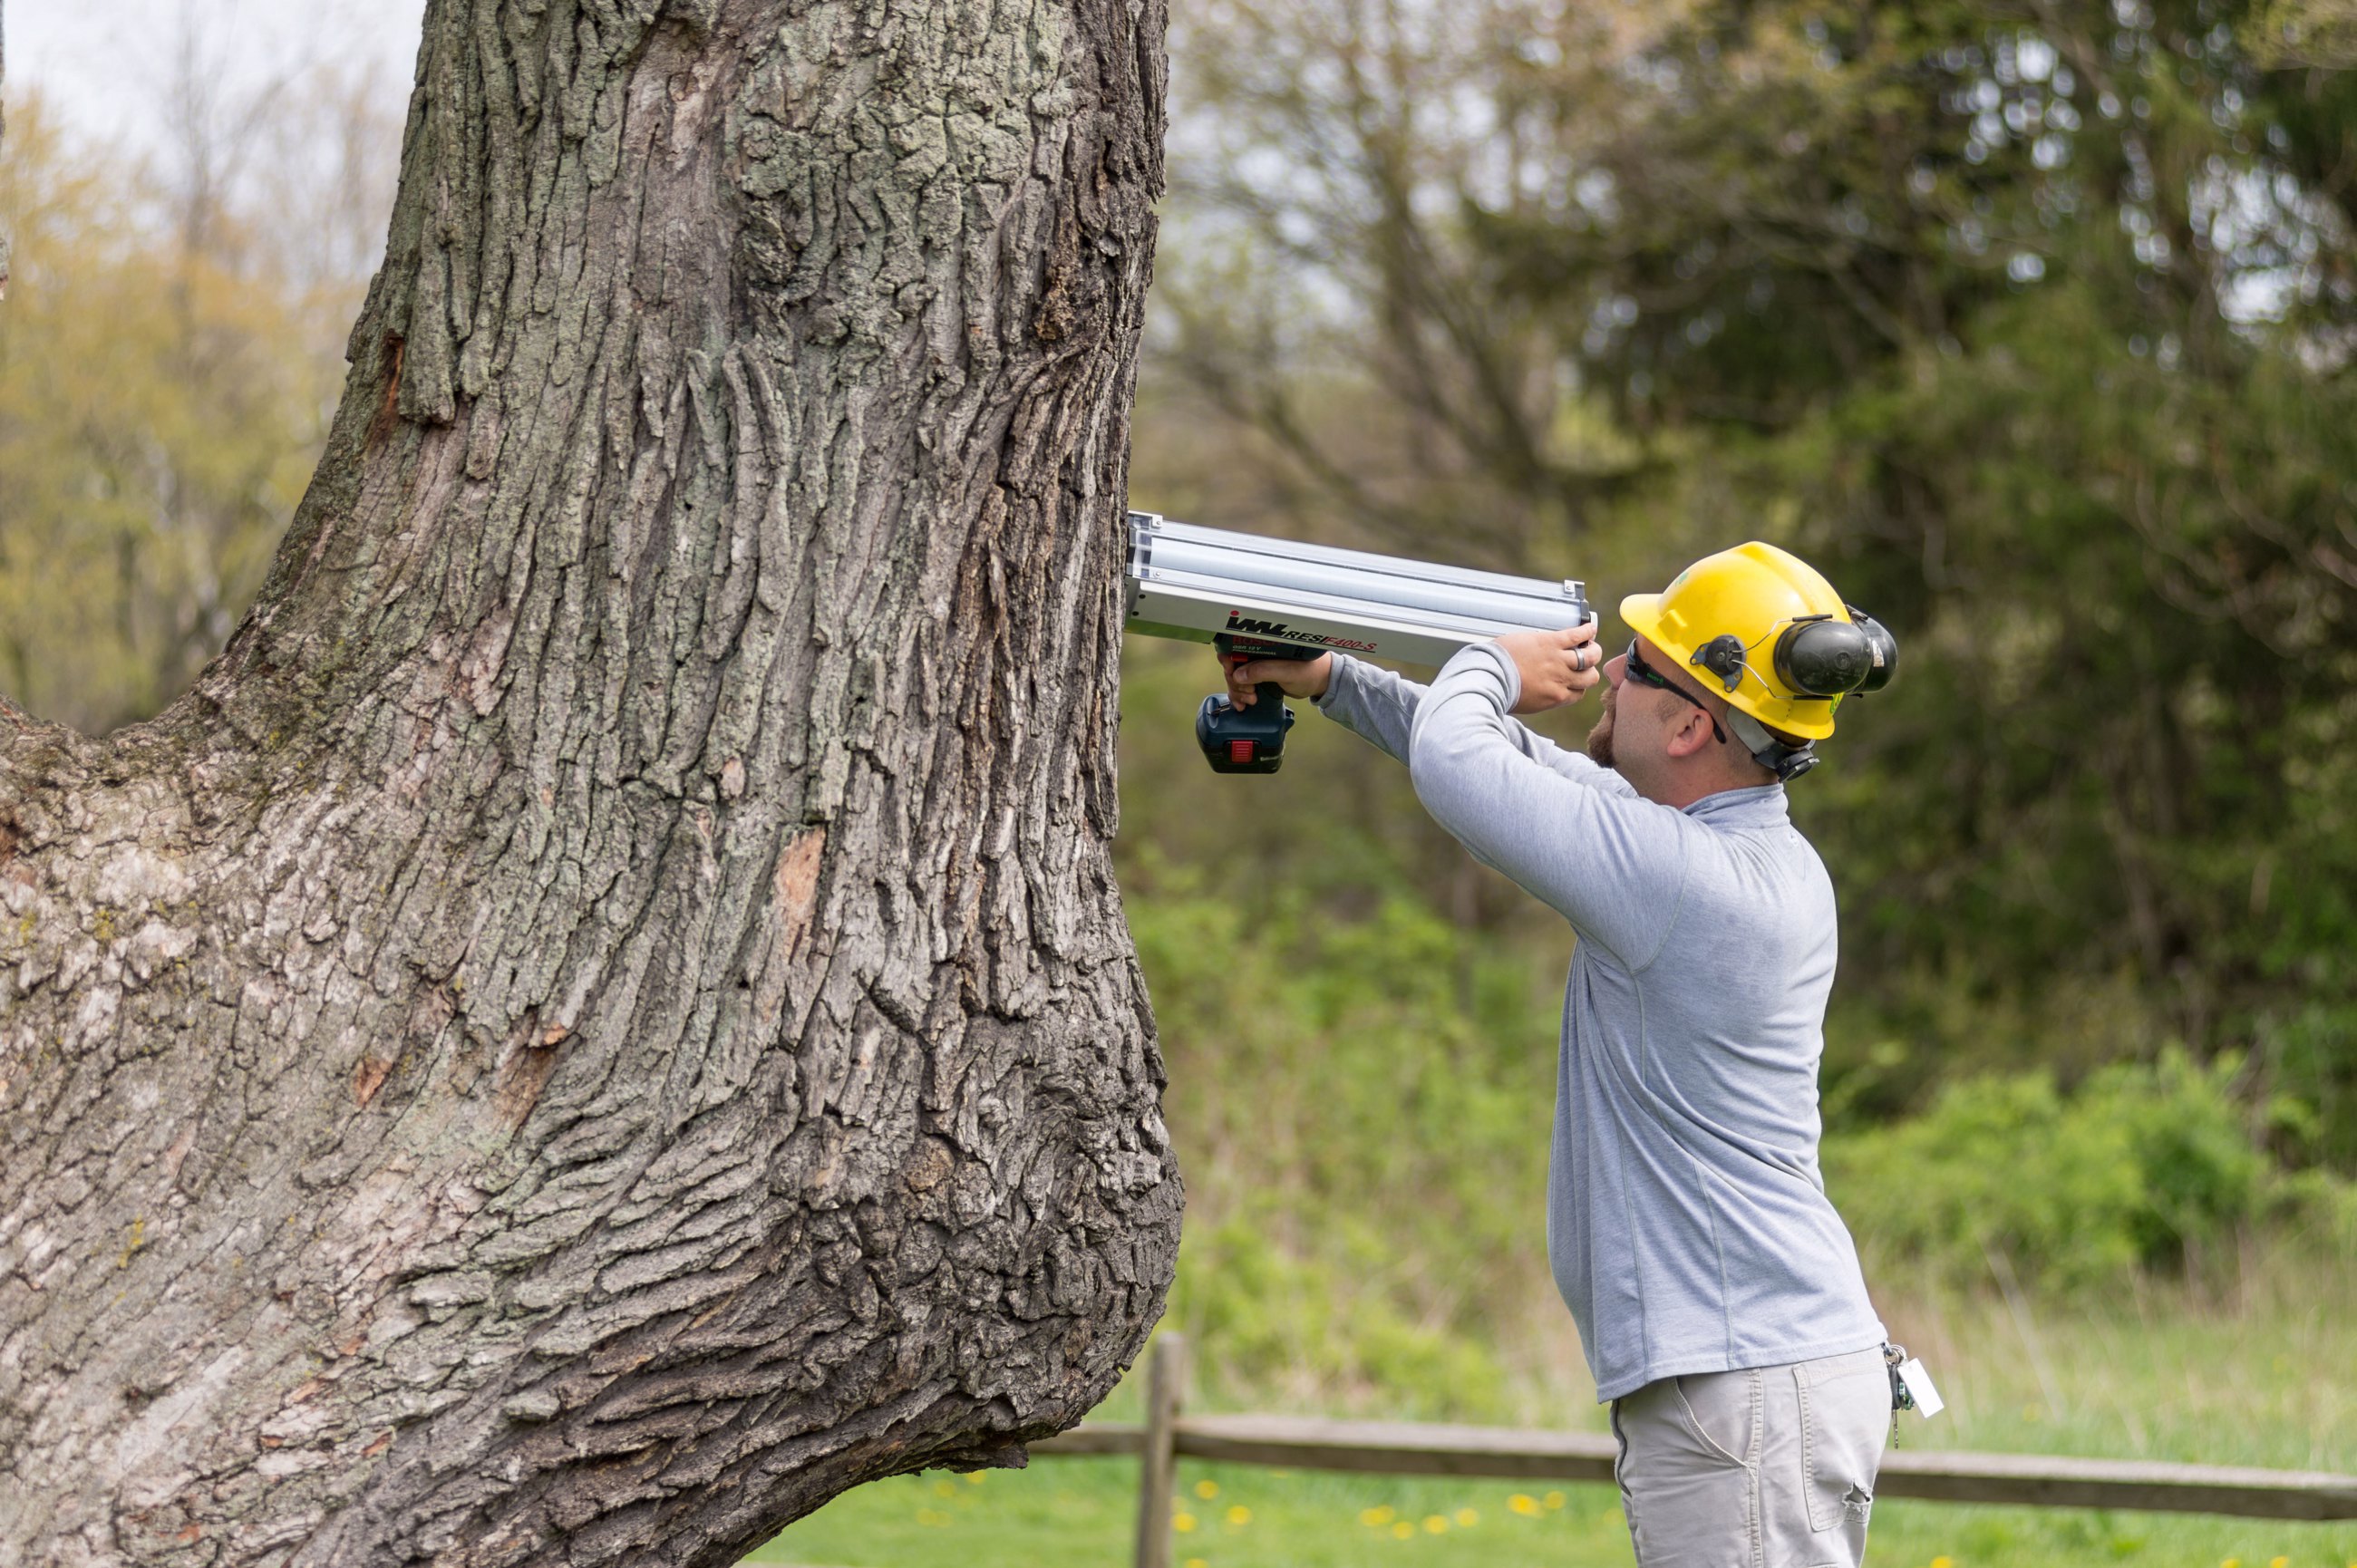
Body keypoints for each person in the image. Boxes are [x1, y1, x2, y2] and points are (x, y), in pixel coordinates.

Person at [1221, 541, 1896, 1568]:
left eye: (1638, 662)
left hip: (1746, 1381)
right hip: (1756, 1373)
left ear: (1687, 725)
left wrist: (1494, 660)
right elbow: (1512, 769)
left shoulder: (1684, 880)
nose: (1610, 673)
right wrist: (1329, 679)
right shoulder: (1730, 846)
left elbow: (1468, 763)